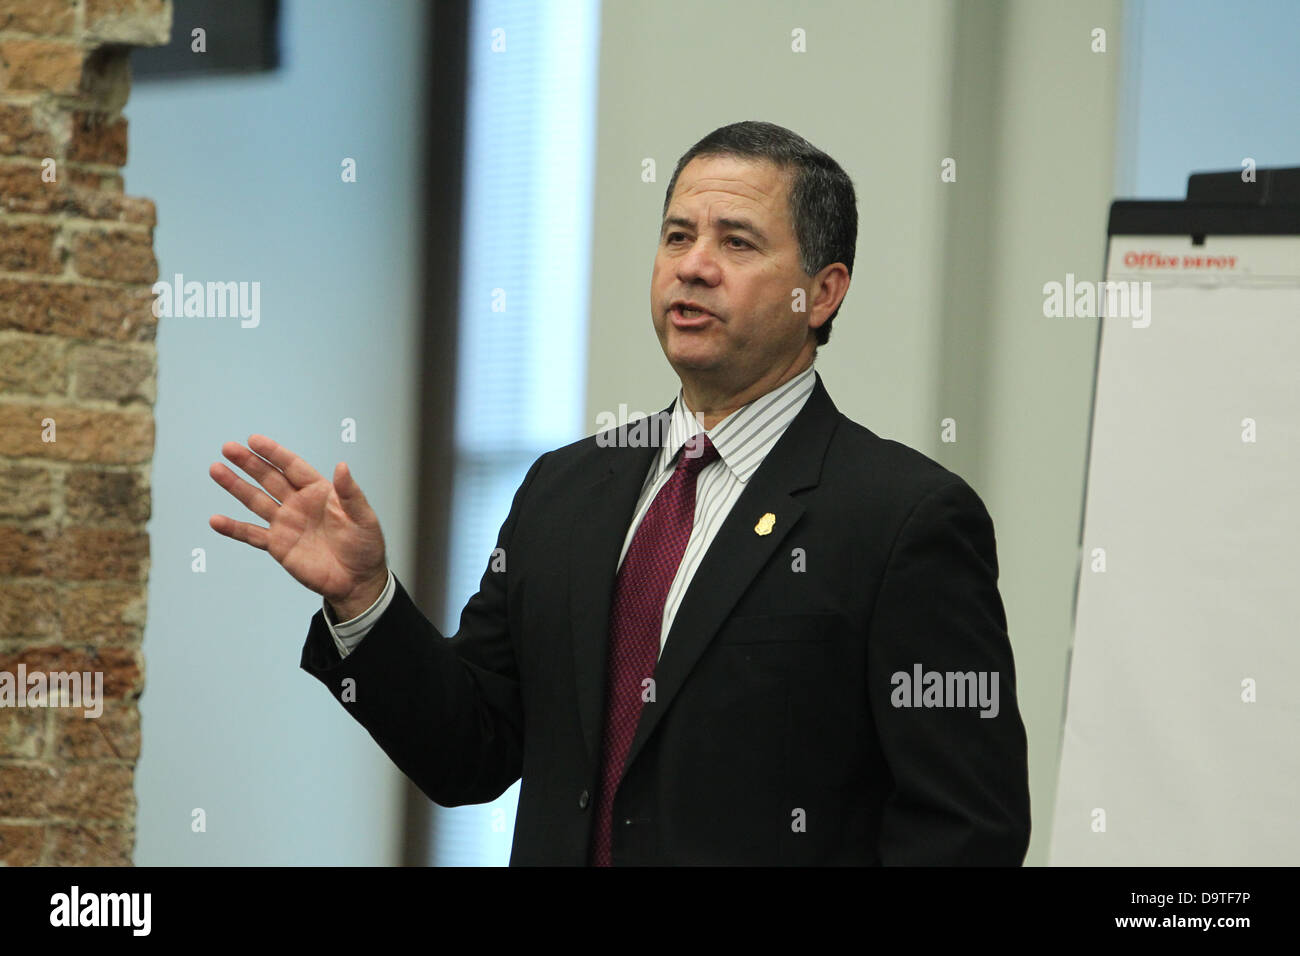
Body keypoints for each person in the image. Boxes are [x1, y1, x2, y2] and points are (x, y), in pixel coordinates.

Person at [209, 121, 1031, 865]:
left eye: (737, 243)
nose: (693, 265)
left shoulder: (904, 520)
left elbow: (965, 832)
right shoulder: (566, 488)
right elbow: (472, 754)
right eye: (678, 235)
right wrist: (364, 600)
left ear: (821, 293)